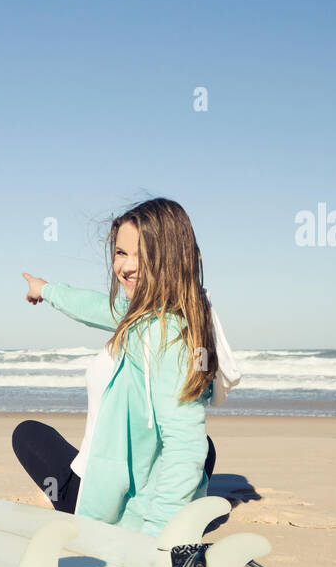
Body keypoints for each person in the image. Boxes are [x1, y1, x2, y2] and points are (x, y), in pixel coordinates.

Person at [14, 197, 218, 537]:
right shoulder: (154, 315)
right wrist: (46, 290)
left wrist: (156, 539)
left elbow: (185, 445)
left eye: (142, 254)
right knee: (205, 445)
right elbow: (96, 307)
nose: (126, 266)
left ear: (171, 256)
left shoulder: (163, 336)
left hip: (109, 510)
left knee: (28, 435)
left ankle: (63, 502)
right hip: (128, 477)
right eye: (121, 253)